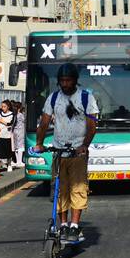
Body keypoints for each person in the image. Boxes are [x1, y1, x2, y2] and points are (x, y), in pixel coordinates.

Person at [32, 63, 98, 241]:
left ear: (75, 80)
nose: (65, 84)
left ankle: (75, 225)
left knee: (77, 188)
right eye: (62, 80)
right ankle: (62, 225)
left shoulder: (86, 98)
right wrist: (39, 143)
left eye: (68, 80)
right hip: (59, 151)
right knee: (60, 190)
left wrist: (85, 145)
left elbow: (92, 125)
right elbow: (44, 123)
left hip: (78, 152)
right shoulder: (53, 98)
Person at [10, 101, 27, 171]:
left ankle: (17, 161)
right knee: (20, 147)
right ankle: (19, 162)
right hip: (20, 132)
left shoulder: (14, 114)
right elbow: (25, 120)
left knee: (16, 147)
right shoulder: (20, 115)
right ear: (19, 108)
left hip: (15, 132)